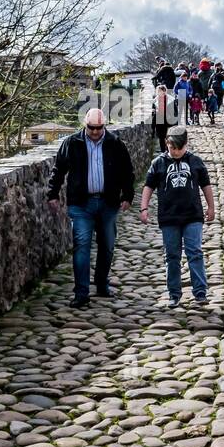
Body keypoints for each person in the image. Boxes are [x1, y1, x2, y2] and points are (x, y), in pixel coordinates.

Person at [46, 108, 134, 308]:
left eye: (99, 128)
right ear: (85, 124)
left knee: (107, 246)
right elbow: (59, 169)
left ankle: (101, 284)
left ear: (104, 125)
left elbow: (127, 171)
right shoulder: (72, 143)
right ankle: (81, 293)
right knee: (82, 245)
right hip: (81, 204)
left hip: (108, 202)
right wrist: (52, 194)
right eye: (91, 128)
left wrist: (127, 195)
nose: (95, 132)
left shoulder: (115, 143)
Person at [140, 124, 216, 307]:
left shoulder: (196, 162)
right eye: (172, 147)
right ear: (167, 143)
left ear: (186, 144)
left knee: (195, 252)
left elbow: (206, 185)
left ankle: (200, 292)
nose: (175, 152)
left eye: (179, 148)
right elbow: (148, 186)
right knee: (172, 255)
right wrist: (144, 208)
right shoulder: (158, 163)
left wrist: (211, 207)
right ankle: (174, 293)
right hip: (169, 217)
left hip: (192, 215)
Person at [150, 83, 180, 152]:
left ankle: (168, 150)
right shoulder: (155, 101)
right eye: (159, 91)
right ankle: (163, 151)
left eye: (161, 91)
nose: (160, 92)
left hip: (169, 121)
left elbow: (175, 112)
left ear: (165, 91)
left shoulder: (170, 99)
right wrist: (153, 125)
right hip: (159, 120)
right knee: (161, 137)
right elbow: (153, 111)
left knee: (168, 137)